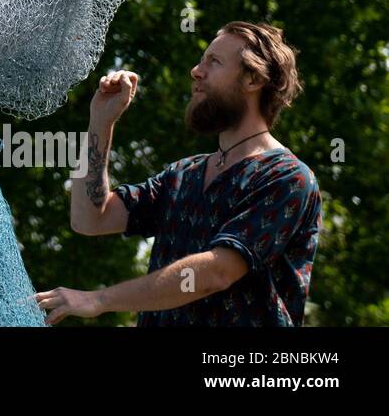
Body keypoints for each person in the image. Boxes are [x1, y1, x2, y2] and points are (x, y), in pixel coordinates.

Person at [37, 21, 321, 325]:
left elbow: (217, 272)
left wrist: (98, 299)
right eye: (201, 60)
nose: (196, 71)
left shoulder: (286, 177)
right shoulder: (183, 174)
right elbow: (90, 219)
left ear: (252, 79)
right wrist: (100, 123)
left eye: (214, 61)